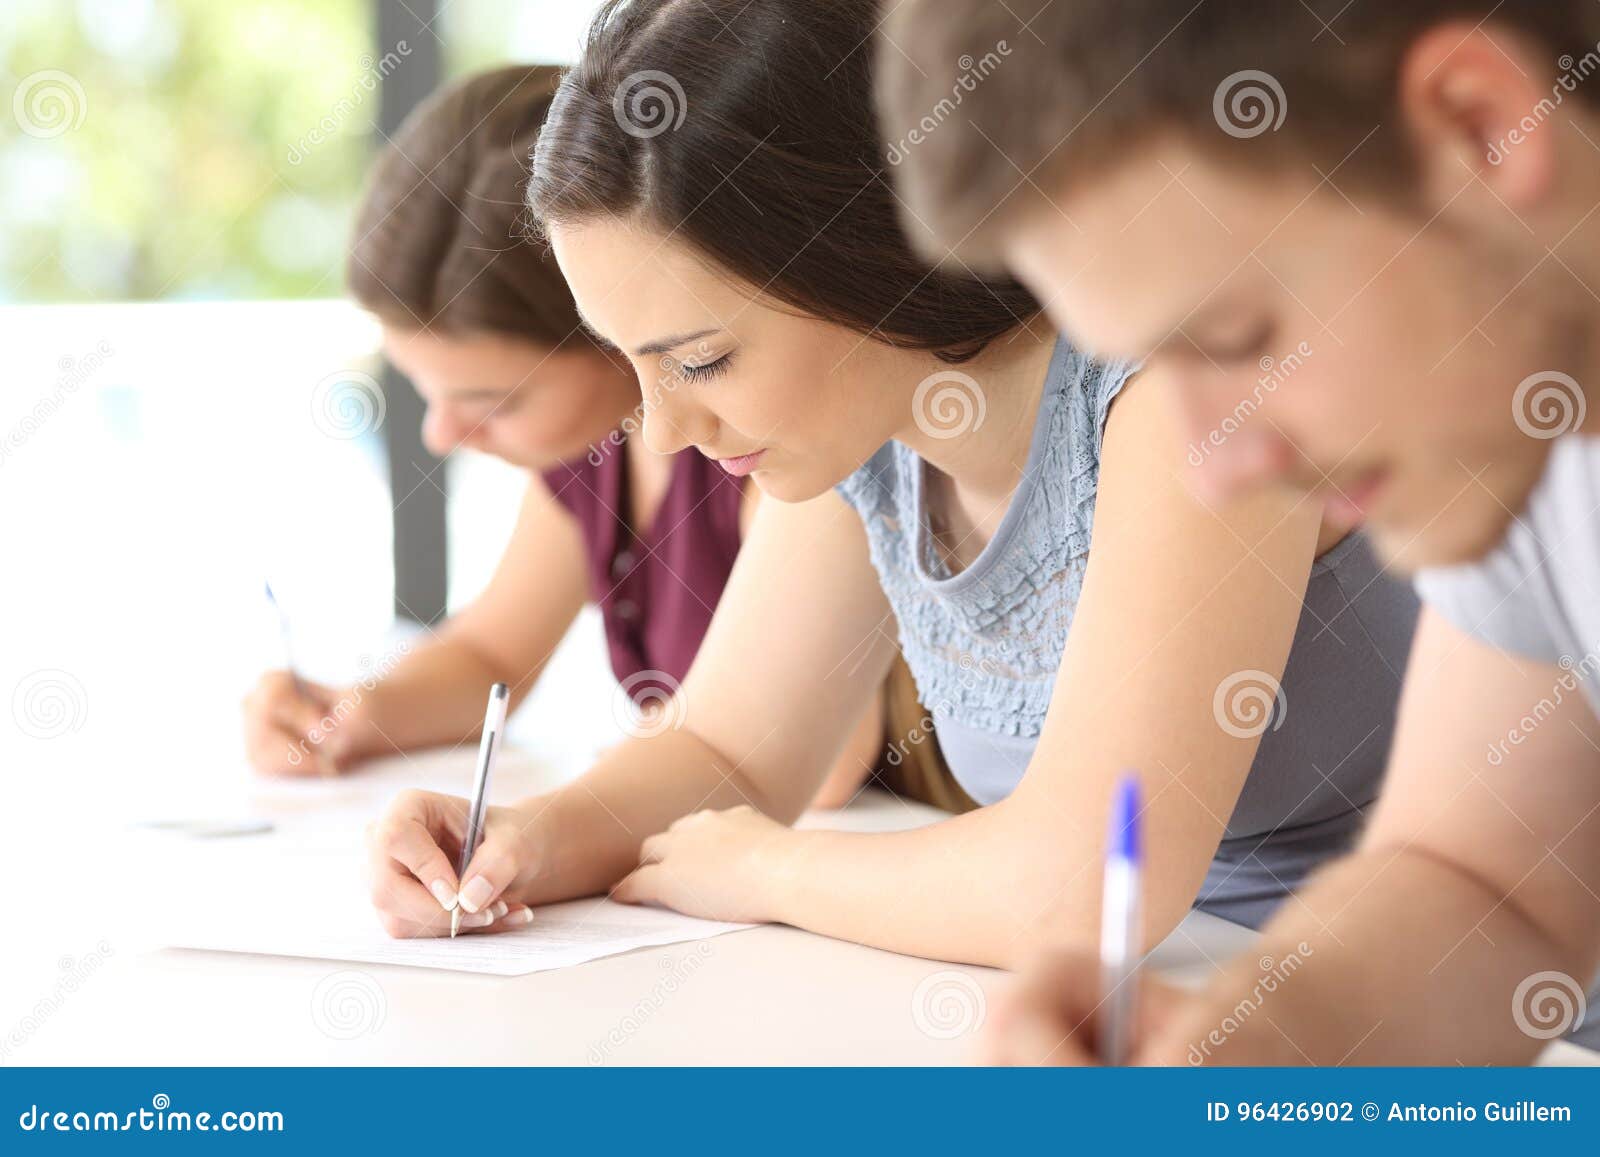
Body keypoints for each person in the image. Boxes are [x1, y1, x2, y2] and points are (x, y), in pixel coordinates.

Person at [362, 0, 1416, 956]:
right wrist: (518, 840)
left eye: (702, 360)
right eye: (631, 361)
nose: (667, 430)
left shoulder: (1173, 387)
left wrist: (771, 869)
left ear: (868, 255)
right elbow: (728, 752)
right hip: (1169, 1009)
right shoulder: (869, 427)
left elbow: (1083, 884)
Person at [878, 0, 1600, 1061]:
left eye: (1234, 335)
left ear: (1480, 124)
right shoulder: (1518, 419)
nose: (1213, 468)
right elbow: (1484, 884)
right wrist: (1241, 1040)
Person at [240, 65, 929, 813]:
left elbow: (816, 765)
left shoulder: (771, 448)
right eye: (422, 392)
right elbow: (491, 653)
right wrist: (352, 713)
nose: (441, 434)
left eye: (493, 401)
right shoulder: (593, 455)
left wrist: (602, 803)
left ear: (615, 330)